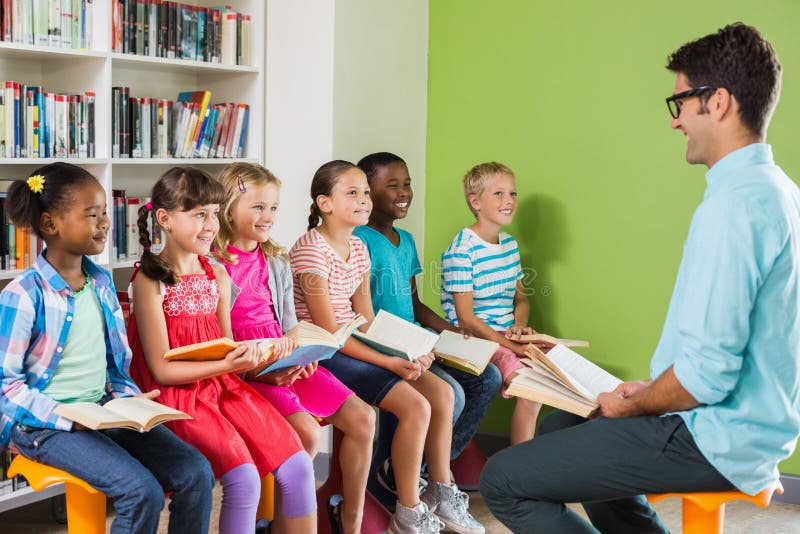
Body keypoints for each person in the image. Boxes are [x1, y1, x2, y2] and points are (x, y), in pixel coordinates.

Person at [480, 22, 800, 534]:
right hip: (749, 423)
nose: (676, 121)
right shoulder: (778, 190)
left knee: (502, 480)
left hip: (715, 438)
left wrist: (635, 406)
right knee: (564, 423)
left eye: (681, 103)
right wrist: (647, 390)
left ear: (718, 102)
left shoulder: (734, 209)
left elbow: (707, 375)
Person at [0, 163, 214, 534]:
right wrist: (68, 417)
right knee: (140, 492)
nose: (104, 223)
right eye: (92, 214)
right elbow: (6, 389)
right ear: (50, 224)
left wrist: (130, 400)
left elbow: (115, 367)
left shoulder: (101, 283)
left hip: (101, 410)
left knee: (196, 472)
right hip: (44, 425)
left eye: (104, 213)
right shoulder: (22, 295)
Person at [291, 160, 484, 533]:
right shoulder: (311, 250)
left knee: (442, 393)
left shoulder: (358, 248)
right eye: (352, 193)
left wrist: (409, 352)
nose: (364, 200)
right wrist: (389, 362)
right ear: (324, 203)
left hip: (354, 342)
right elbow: (331, 332)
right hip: (324, 353)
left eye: (365, 192)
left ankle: (441, 490)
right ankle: (408, 509)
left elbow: (365, 320)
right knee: (416, 405)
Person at [126, 167, 316, 534]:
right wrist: (228, 363)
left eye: (214, 213)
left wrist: (260, 357)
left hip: (223, 388)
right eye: (199, 214)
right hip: (176, 397)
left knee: (298, 466)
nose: (211, 226)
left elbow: (226, 348)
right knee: (245, 478)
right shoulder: (150, 281)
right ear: (164, 219)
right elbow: (162, 371)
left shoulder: (218, 275)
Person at [213, 162, 376, 534]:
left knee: (363, 418)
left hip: (284, 359)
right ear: (228, 208)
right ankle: (285, 528)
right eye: (258, 207)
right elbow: (222, 343)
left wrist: (303, 356)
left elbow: (289, 325)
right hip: (247, 370)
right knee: (306, 433)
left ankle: (349, 522)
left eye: (273, 207)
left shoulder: (276, 259)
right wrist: (263, 367)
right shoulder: (214, 264)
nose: (268, 216)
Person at [353, 152, 502, 500]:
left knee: (489, 377)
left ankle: (417, 470)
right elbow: (360, 315)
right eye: (392, 185)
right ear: (367, 191)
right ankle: (415, 474)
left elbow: (415, 305)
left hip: (419, 340)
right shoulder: (359, 239)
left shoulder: (405, 240)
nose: (404, 192)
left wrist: (454, 332)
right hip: (387, 344)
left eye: (407, 184)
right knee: (454, 394)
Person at [440, 162, 544, 446]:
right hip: (476, 338)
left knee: (550, 376)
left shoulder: (510, 245)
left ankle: (522, 460)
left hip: (507, 335)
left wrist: (519, 328)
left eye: (512, 193)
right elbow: (466, 318)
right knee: (530, 388)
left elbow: (521, 299)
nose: (509, 200)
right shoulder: (462, 249)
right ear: (476, 202)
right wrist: (511, 345)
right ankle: (518, 465)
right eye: (498, 193)